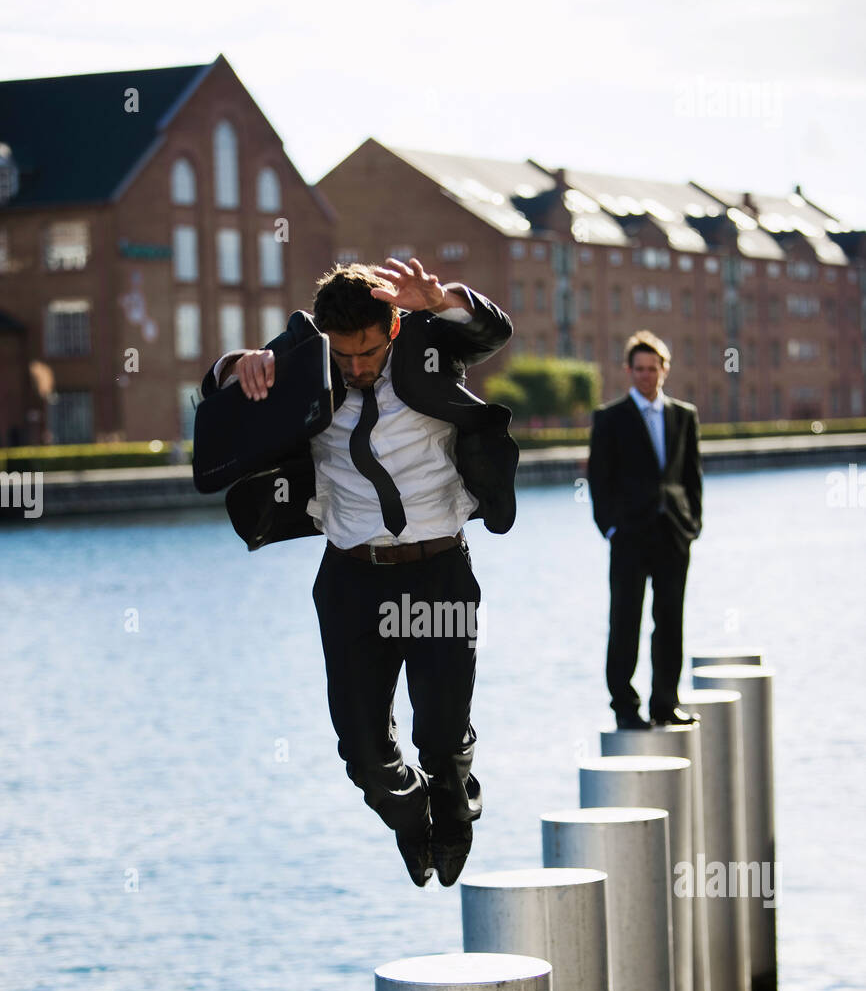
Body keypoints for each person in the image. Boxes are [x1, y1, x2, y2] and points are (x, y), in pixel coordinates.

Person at [202, 257, 516, 886]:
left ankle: (454, 806)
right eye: (344, 355)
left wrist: (443, 295)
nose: (357, 367)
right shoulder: (306, 360)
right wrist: (240, 366)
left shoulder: (431, 341)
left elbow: (492, 332)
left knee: (441, 733)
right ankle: (407, 814)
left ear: (393, 328)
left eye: (369, 351)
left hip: (438, 572)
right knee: (363, 752)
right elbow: (217, 392)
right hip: (352, 580)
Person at [587, 330, 702, 729]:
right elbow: (599, 482)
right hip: (630, 537)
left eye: (653, 368)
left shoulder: (684, 416)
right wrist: (611, 528)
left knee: (670, 620)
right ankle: (624, 707)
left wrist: (693, 526)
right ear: (628, 371)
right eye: (639, 369)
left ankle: (665, 704)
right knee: (625, 620)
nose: (646, 375)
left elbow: (692, 477)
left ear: (664, 370)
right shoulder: (609, 418)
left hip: (674, 534)